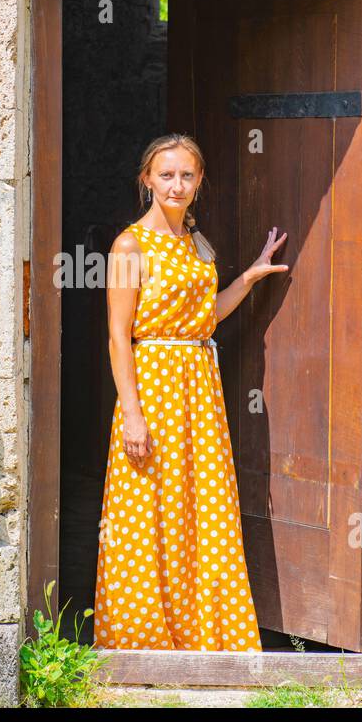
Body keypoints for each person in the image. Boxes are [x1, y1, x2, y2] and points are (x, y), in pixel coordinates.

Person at [92, 132, 289, 651]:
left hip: (199, 387)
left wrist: (249, 276)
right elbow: (118, 336)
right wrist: (132, 415)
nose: (176, 185)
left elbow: (207, 317)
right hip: (152, 385)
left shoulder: (198, 245)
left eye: (186, 175)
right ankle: (143, 640)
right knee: (148, 510)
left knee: (202, 510)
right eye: (166, 175)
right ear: (147, 180)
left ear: (199, 181)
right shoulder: (130, 245)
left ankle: (207, 637)